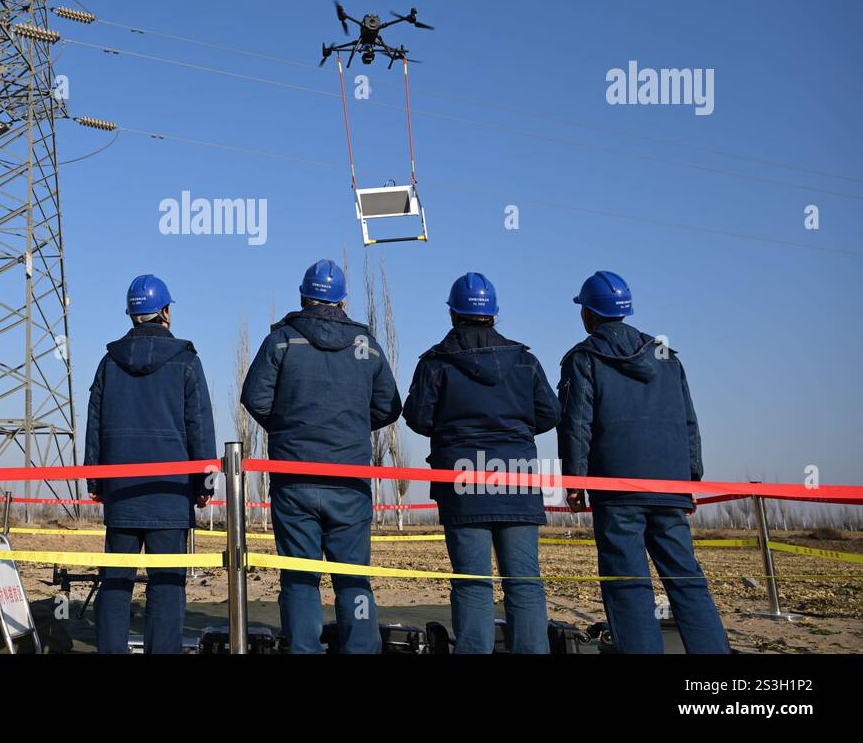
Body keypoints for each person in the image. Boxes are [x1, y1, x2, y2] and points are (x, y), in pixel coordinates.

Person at [557, 270, 729, 653]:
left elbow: (577, 424)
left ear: (587, 314)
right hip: (670, 487)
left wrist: (575, 482)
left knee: (627, 584)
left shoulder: (584, 358)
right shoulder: (667, 357)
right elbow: (689, 421)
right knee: (687, 581)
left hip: (617, 492)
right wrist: (690, 481)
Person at [240, 259, 401, 653]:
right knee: (353, 577)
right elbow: (390, 406)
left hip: (293, 478)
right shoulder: (367, 346)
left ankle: (303, 647)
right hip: (349, 480)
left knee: (300, 577)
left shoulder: (281, 340)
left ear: (303, 296)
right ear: (343, 302)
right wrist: (350, 429)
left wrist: (290, 429)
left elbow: (254, 397)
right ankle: (362, 646)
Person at [403, 272, 558, 653]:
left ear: (454, 314)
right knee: (524, 581)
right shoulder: (524, 360)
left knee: (472, 582)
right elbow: (551, 413)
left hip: (463, 482)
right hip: (517, 482)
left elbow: (418, 418)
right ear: (494, 313)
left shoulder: (437, 362)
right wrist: (512, 433)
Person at [83, 274, 216, 654]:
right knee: (167, 584)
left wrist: (95, 479)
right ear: (165, 312)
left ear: (131, 314)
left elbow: (95, 422)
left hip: (122, 493)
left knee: (116, 581)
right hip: (171, 494)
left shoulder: (109, 363)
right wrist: (203, 484)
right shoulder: (187, 361)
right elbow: (199, 425)